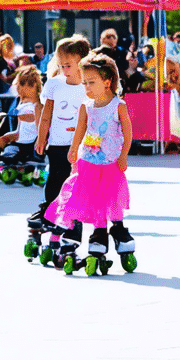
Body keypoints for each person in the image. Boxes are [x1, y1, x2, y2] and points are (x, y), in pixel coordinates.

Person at [44, 52, 136, 272]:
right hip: (89, 161)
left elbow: (128, 132)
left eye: (91, 82)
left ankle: (114, 233)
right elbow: (81, 128)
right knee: (88, 199)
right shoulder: (87, 105)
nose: (86, 87)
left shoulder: (118, 105)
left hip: (111, 163)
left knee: (108, 200)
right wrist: (74, 148)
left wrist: (123, 155)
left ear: (107, 82)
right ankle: (92, 235)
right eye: (84, 82)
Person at [31, 35, 93, 261]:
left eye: (69, 65)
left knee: (74, 187)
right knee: (54, 182)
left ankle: (71, 226)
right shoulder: (55, 83)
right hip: (56, 144)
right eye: (62, 65)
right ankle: (49, 219)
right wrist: (41, 137)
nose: (65, 69)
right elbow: (46, 114)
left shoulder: (89, 86)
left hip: (79, 147)